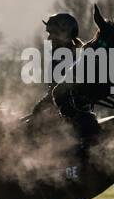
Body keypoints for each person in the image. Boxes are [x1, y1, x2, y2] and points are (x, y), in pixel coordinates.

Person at [31, 12, 99, 153]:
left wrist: (38, 108)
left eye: (52, 33)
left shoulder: (66, 56)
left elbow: (58, 91)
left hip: (69, 116)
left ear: (64, 33)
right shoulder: (68, 53)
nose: (49, 37)